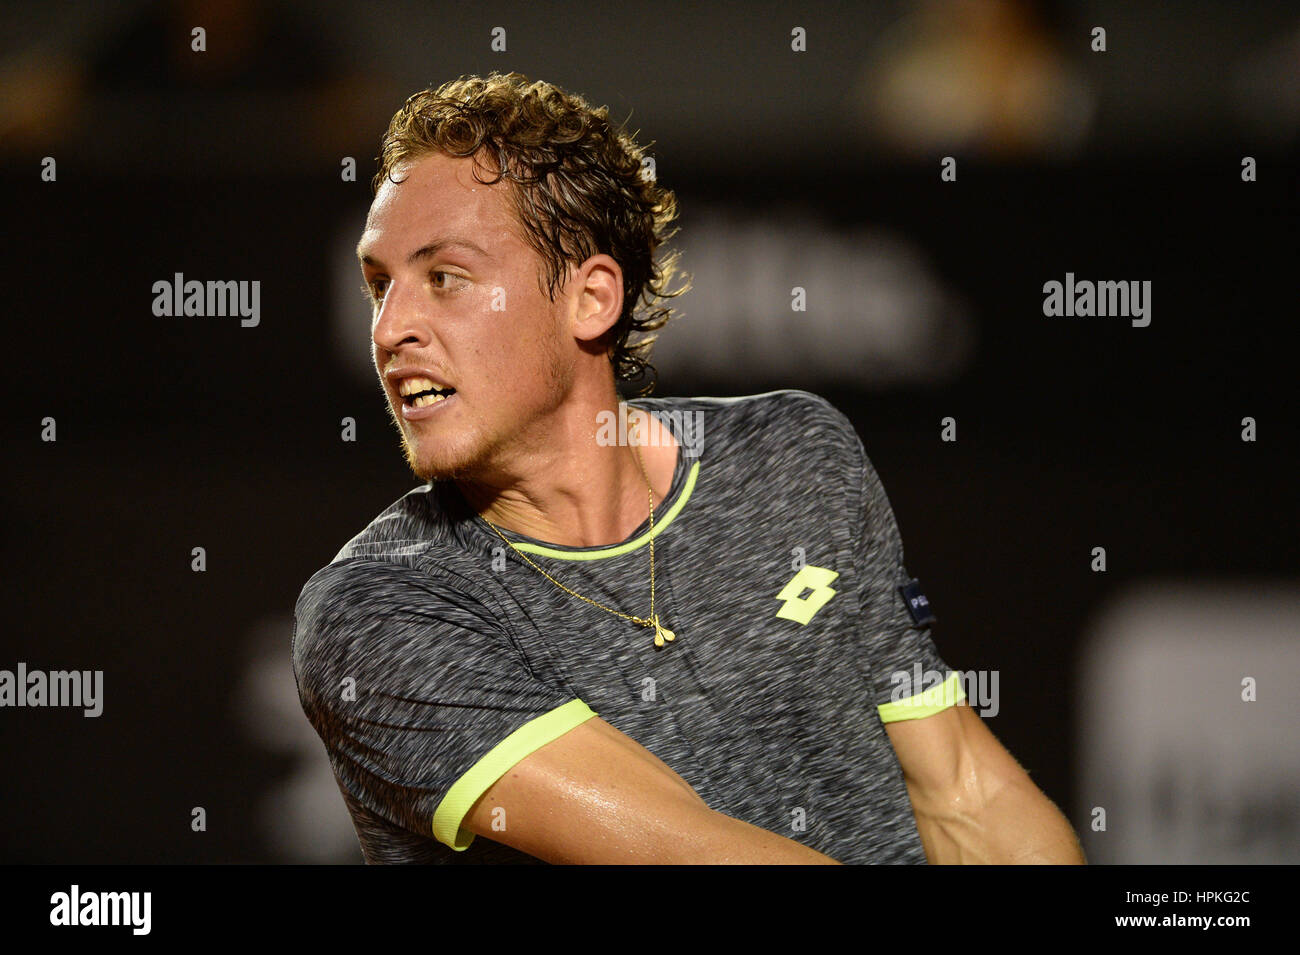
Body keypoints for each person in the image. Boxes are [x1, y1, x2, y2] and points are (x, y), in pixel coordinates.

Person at [292, 71, 1086, 864]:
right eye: (378, 285)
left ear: (591, 298)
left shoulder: (796, 457)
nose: (391, 328)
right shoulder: (376, 612)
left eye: (445, 278)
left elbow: (966, 795)